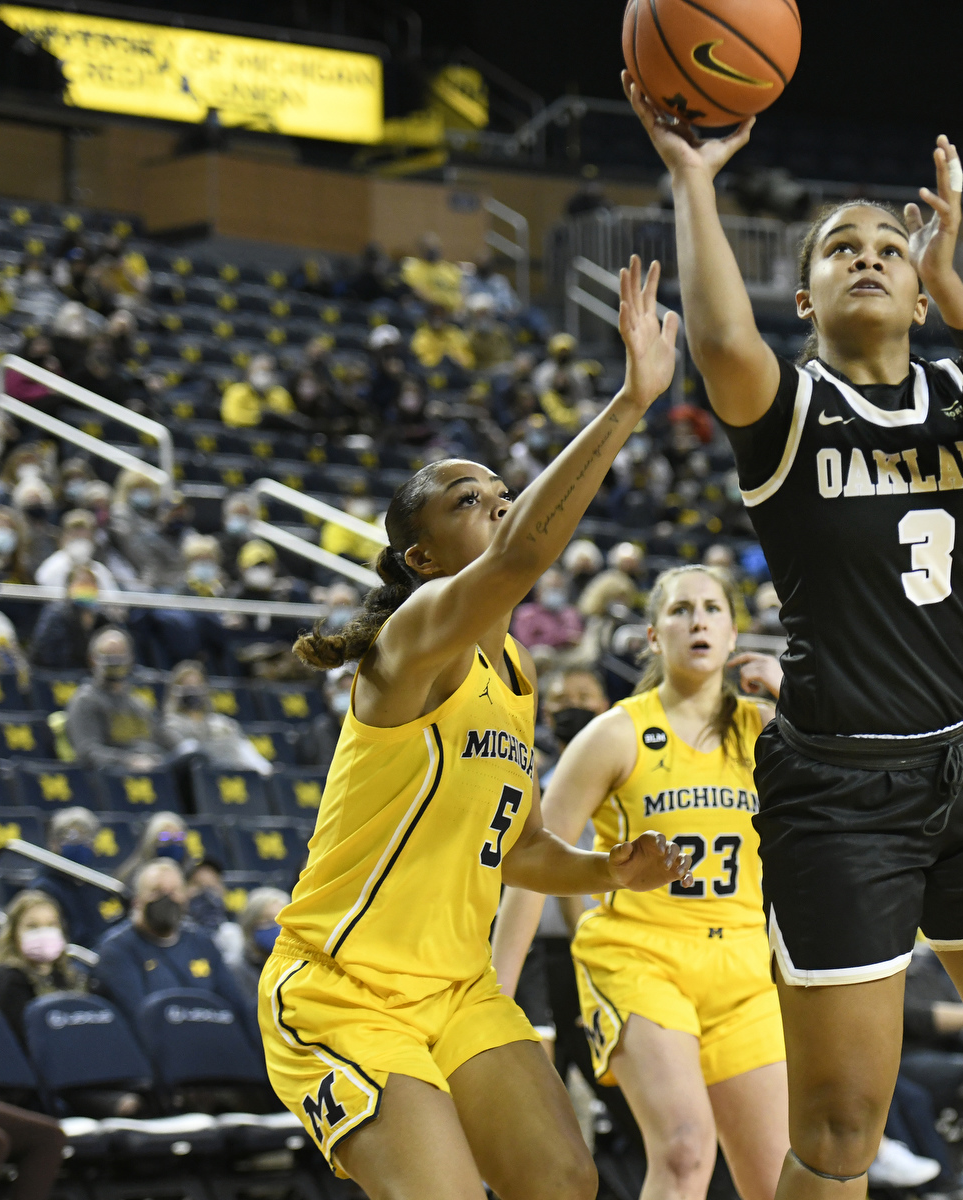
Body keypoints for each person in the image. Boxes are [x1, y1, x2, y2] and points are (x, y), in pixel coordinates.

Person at [628, 75, 963, 1200]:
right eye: (842, 250)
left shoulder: (961, 390)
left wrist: (955, 279)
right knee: (839, 1129)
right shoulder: (786, 407)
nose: (872, 257)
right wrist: (693, 180)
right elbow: (722, 340)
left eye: (891, 245)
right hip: (838, 795)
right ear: (806, 297)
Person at [260, 256, 691, 1195]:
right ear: (420, 557)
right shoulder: (413, 640)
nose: (497, 505)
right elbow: (525, 555)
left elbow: (518, 844)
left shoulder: (517, 669)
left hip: (456, 988)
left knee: (565, 1182)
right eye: (470, 502)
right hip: (343, 988)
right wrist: (626, 404)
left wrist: (604, 871)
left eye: (500, 493)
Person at [493, 566, 790, 1200]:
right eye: (681, 610)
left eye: (713, 608)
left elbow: (858, 784)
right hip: (640, 956)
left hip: (744, 966)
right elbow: (531, 863)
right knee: (684, 1150)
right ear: (654, 636)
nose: (699, 620)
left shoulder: (767, 730)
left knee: (778, 1179)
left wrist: (797, 701)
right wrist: (495, 995)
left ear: (735, 631)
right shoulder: (616, 732)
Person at [93, 859, 255, 1035]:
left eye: (174, 891)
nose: (167, 898)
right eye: (157, 891)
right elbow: (138, 1018)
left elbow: (235, 1005)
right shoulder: (117, 949)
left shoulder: (201, 942)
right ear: (137, 900)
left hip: (210, 1039)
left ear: (185, 898)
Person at [64, 629, 179, 770]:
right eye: (108, 656)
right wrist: (127, 761)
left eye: (120, 655)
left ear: (131, 658)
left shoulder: (140, 703)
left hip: (156, 767)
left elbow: (165, 739)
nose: (115, 662)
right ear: (92, 660)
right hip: (119, 777)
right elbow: (88, 752)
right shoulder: (85, 701)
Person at [0, 890, 88, 1041]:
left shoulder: (69, 975)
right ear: (13, 933)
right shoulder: (7, 979)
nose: (44, 933)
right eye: (32, 926)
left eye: (51, 924)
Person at [27, 807, 123, 949]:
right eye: (71, 836)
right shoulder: (44, 888)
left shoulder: (100, 884)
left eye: (86, 837)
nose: (80, 843)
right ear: (53, 844)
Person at [228, 886, 288, 1006]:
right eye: (268, 920)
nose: (276, 928)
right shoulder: (236, 969)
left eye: (281, 922)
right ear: (250, 924)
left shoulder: (294, 966)